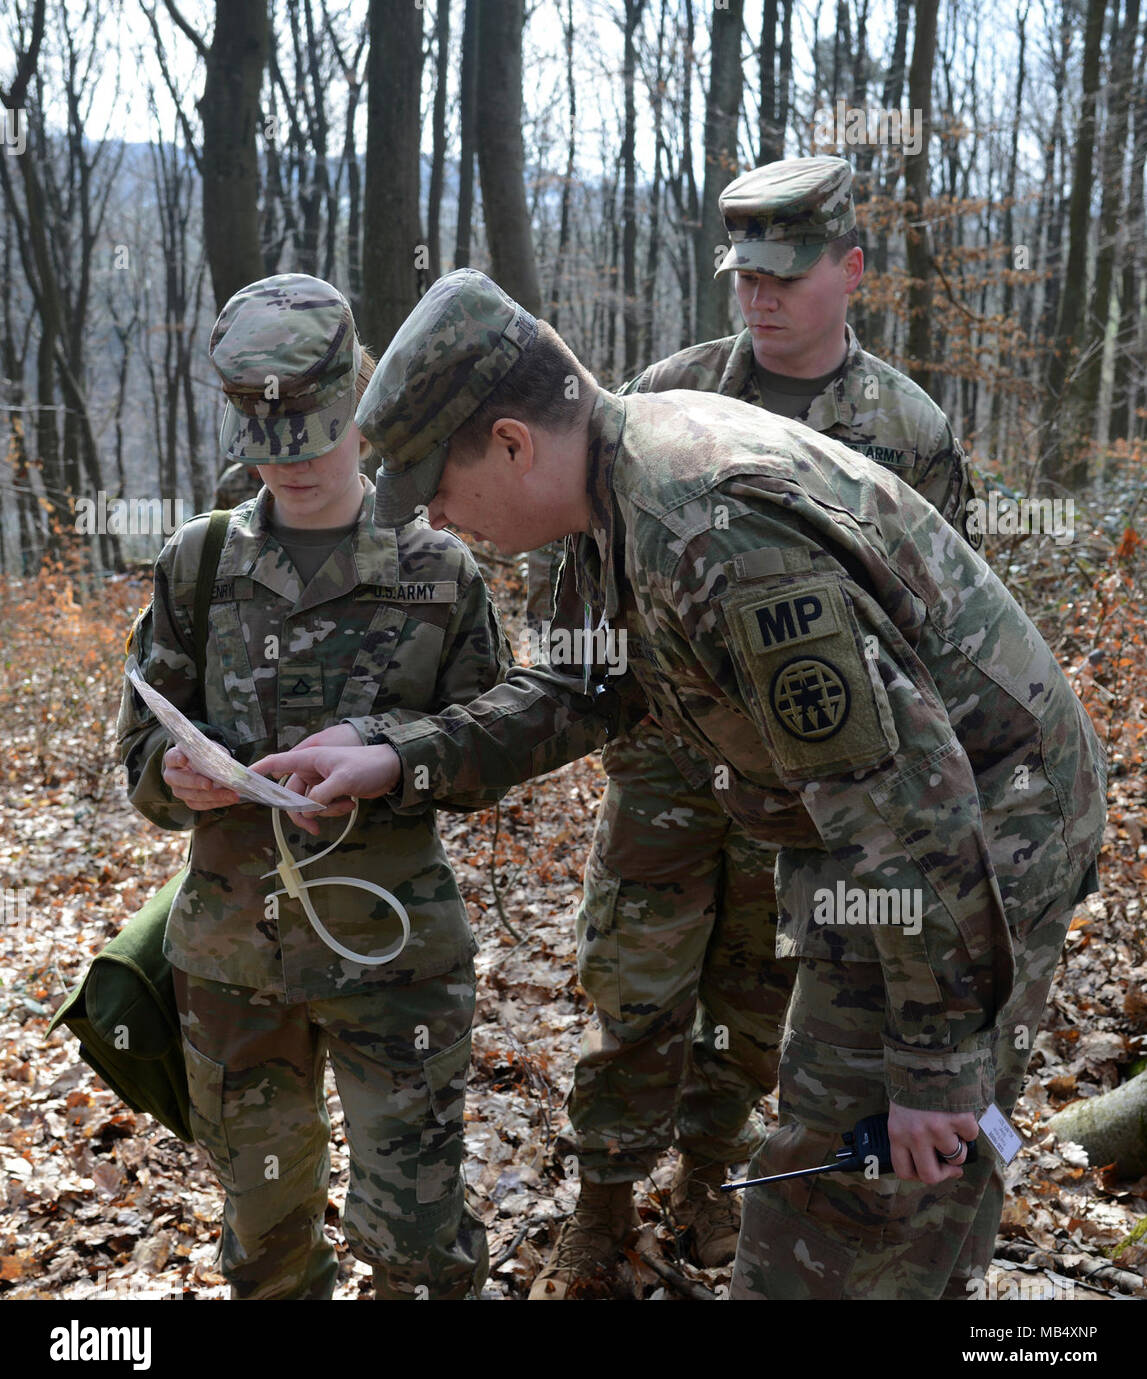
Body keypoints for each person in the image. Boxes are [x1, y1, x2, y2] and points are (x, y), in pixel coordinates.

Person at [254, 267, 1105, 1300]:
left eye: (438, 488)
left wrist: (933, 1063)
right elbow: (578, 686)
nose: (439, 515)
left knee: (864, 1191)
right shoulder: (610, 490)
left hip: (981, 835)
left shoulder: (707, 526)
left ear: (513, 444)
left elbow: (909, 797)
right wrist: (396, 752)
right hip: (884, 836)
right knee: (866, 1147)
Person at [520, 156, 983, 1295]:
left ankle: (708, 1182)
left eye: (787, 272)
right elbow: (584, 589)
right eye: (744, 275)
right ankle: (602, 1204)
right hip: (671, 768)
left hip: (821, 791)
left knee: (756, 995)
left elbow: (937, 626)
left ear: (851, 270)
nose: (761, 295)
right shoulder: (672, 393)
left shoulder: (906, 431)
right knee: (634, 991)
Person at [116, 273, 512, 1300]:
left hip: (396, 959)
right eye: (264, 445)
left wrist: (388, 756)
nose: (287, 466)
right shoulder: (198, 564)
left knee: (419, 1241)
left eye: (314, 439)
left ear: (358, 404)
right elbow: (135, 755)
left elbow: (495, 747)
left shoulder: (439, 572)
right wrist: (174, 774)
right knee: (267, 1243)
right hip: (234, 967)